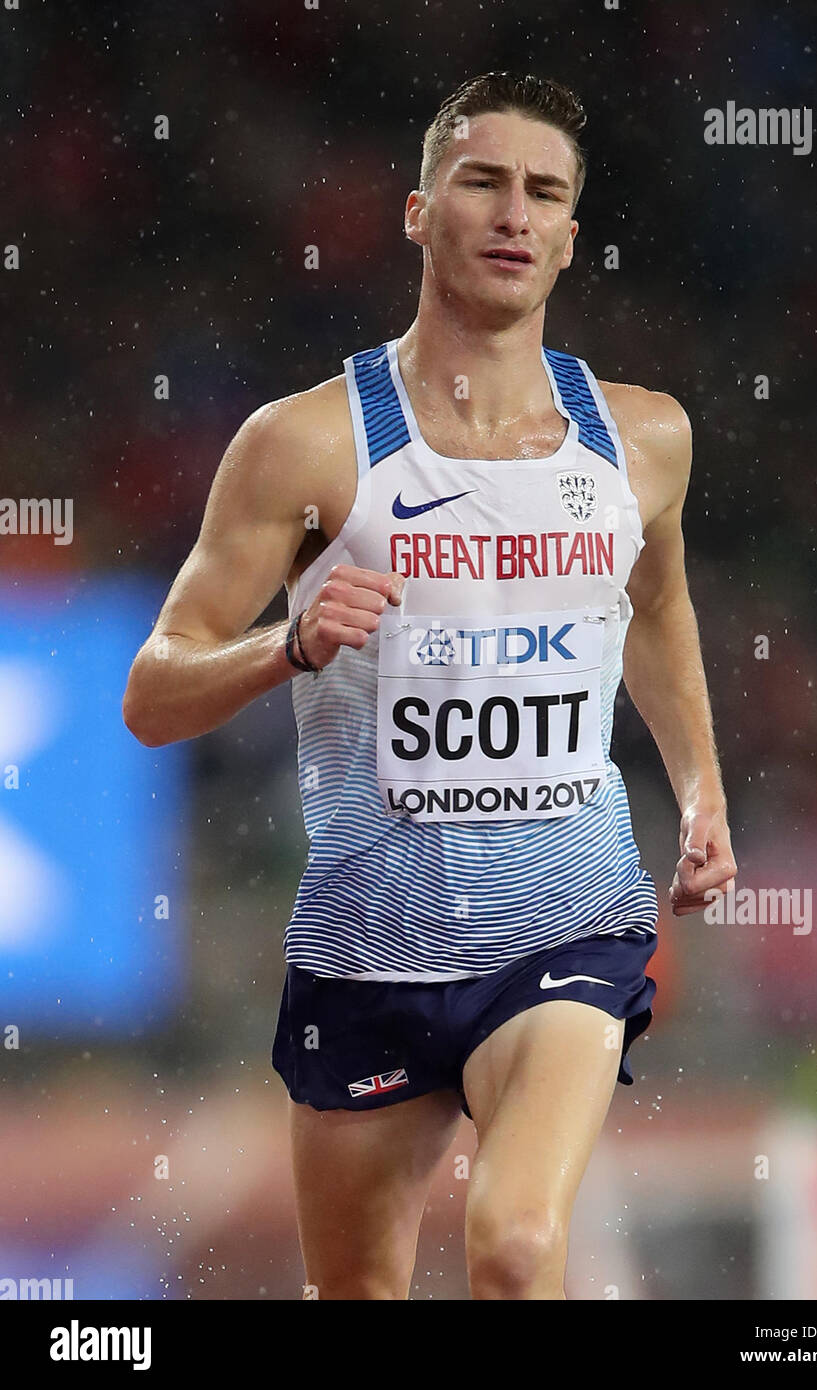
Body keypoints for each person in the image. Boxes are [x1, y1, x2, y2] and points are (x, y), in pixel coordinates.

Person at [122, 71, 737, 1301]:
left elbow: (656, 606)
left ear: (569, 237)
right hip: (369, 942)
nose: (514, 213)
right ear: (417, 212)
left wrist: (702, 784)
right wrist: (284, 648)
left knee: (514, 1245)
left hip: (569, 917)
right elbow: (153, 691)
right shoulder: (303, 445)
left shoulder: (643, 438)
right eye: (484, 182)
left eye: (544, 193)